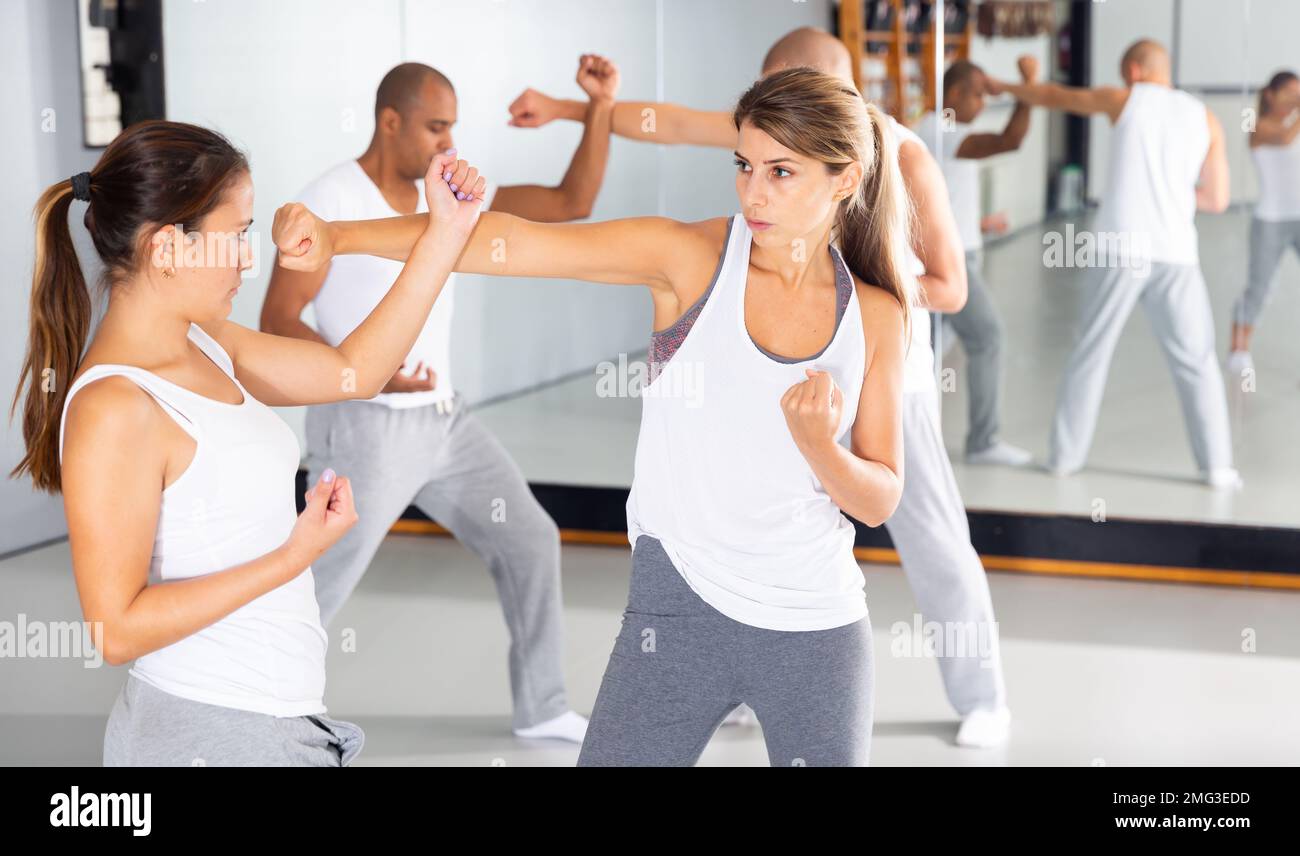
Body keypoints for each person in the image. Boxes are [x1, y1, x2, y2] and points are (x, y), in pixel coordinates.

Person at [271, 66, 913, 766]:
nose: (752, 193)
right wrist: (338, 236)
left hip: (816, 627)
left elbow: (879, 498)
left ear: (844, 179)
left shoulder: (876, 319)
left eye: (781, 173)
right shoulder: (691, 259)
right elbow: (512, 243)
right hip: (677, 614)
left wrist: (822, 449)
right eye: (744, 165)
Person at [508, 26, 1012, 748]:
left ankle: (982, 695)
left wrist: (853, 303)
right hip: (776, 374)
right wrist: (569, 109)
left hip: (879, 377)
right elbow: (669, 123)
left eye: (796, 85)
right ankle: (742, 667)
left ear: (839, 86)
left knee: (933, 538)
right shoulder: (771, 138)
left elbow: (951, 288)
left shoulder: (900, 153)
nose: (758, 180)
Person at [9, 119, 484, 765]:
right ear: (167, 246)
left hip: (278, 725)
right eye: (235, 236)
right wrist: (295, 555)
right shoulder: (114, 407)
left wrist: (446, 230)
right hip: (208, 731)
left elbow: (356, 371)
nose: (248, 258)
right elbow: (115, 630)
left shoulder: (208, 344)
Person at [261, 58, 619, 744]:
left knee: (530, 539)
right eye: (434, 127)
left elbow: (572, 201)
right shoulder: (328, 200)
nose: (447, 144)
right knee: (315, 585)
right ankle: (264, 719)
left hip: (445, 425)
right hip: (365, 432)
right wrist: (363, 373)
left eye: (452, 127)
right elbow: (277, 320)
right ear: (389, 122)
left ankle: (542, 706)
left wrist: (598, 106)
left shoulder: (446, 196)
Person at [987, 39, 1238, 487]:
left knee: (1092, 352)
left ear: (1136, 71)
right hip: (1177, 252)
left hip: (1120, 245)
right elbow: (1217, 199)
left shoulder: (1123, 99)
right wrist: (1175, 197)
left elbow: (1054, 97)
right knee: (1197, 360)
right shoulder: (1206, 118)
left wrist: (1001, 84)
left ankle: (1064, 458)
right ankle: (1218, 467)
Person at [916, 57, 1036, 466]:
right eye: (978, 94)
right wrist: (1028, 86)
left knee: (927, 351)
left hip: (960, 252)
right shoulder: (939, 130)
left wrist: (980, 223)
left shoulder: (943, 133)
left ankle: (906, 435)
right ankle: (983, 441)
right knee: (987, 336)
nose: (983, 103)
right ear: (953, 94)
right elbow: (1010, 141)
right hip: (951, 263)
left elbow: (938, 199)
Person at [1227, 70, 1300, 379]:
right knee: (1260, 289)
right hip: (1270, 220)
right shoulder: (1258, 127)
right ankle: (1238, 350)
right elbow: (1284, 138)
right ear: (1271, 94)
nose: (1296, 99)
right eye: (1292, 93)